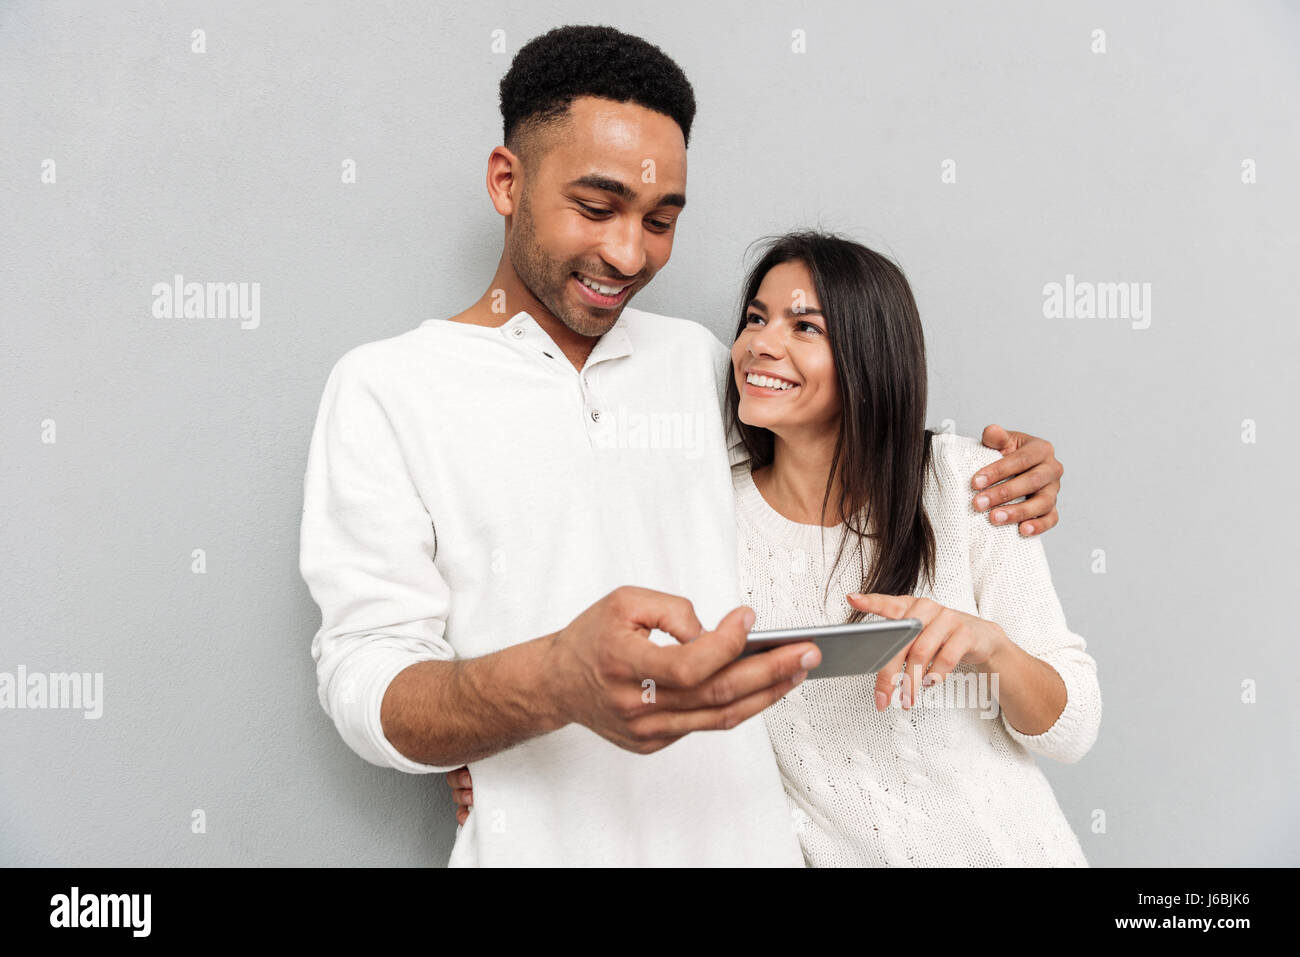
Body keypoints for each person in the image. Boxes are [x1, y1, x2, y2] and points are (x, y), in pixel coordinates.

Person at [302, 24, 1065, 867]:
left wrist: (995, 472)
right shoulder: (387, 389)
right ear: (506, 181)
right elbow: (366, 678)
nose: (628, 253)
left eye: (660, 219)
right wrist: (544, 684)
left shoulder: (701, 365)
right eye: (595, 208)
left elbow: (841, 446)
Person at [453, 231, 1098, 866]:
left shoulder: (970, 484)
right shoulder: (708, 515)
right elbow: (617, 666)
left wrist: (988, 646)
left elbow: (1073, 726)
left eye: (804, 327)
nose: (761, 345)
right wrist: (502, 761)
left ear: (869, 357)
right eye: (755, 319)